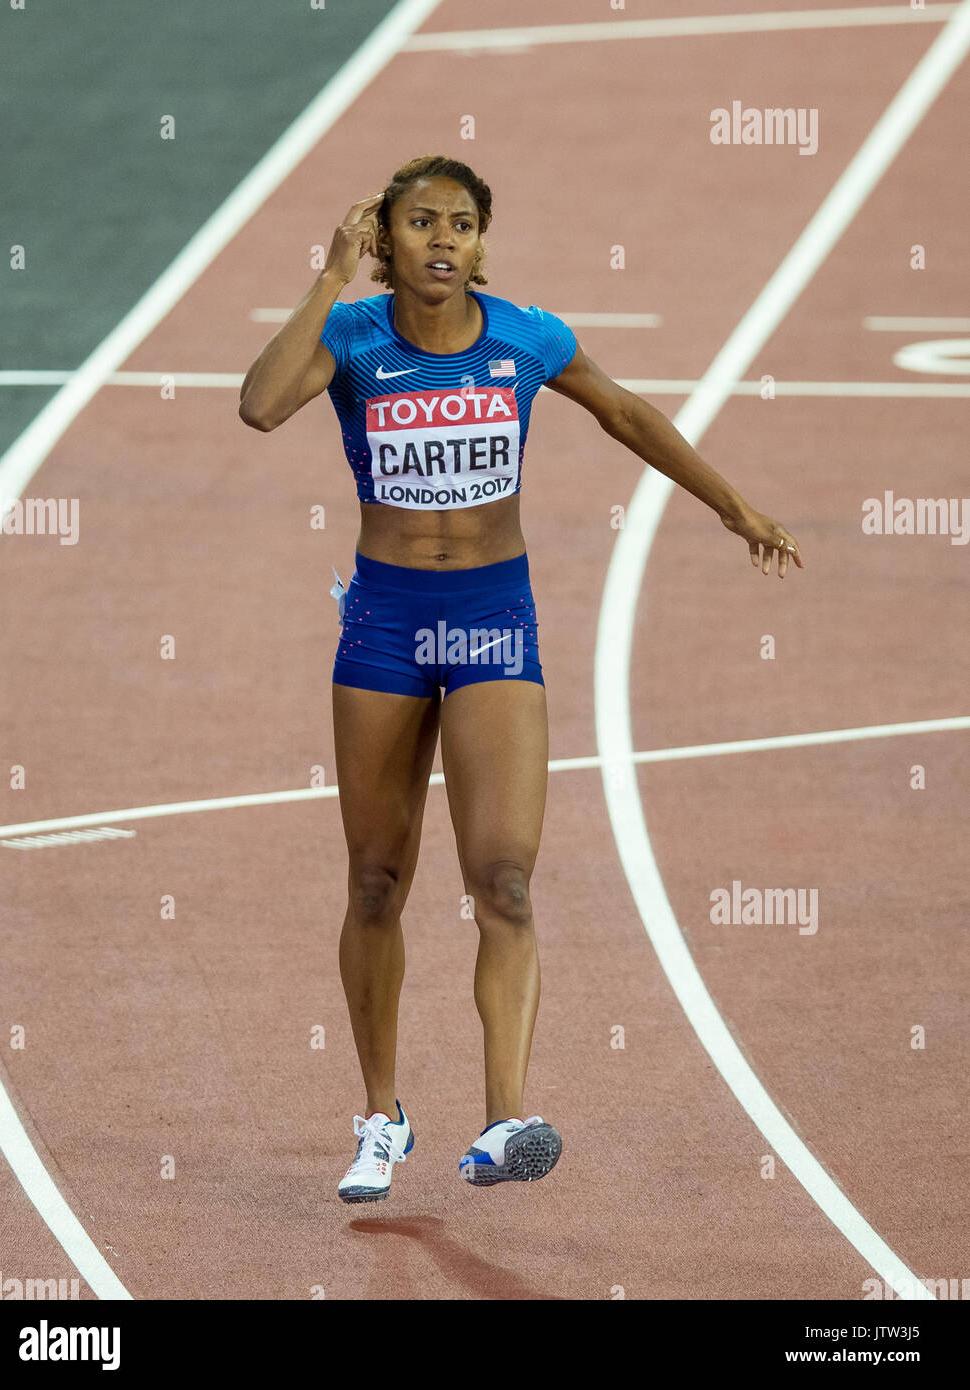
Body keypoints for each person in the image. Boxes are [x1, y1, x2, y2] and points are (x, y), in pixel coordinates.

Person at [238, 154, 803, 1204]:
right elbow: (260, 406)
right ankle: (380, 1118)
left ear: (482, 242)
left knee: (500, 878)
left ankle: (505, 1117)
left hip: (495, 622)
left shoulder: (526, 339)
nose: (442, 240)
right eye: (418, 224)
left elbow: (626, 412)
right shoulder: (353, 338)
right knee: (374, 881)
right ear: (386, 242)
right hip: (382, 628)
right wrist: (325, 278)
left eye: (460, 223)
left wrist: (731, 505)